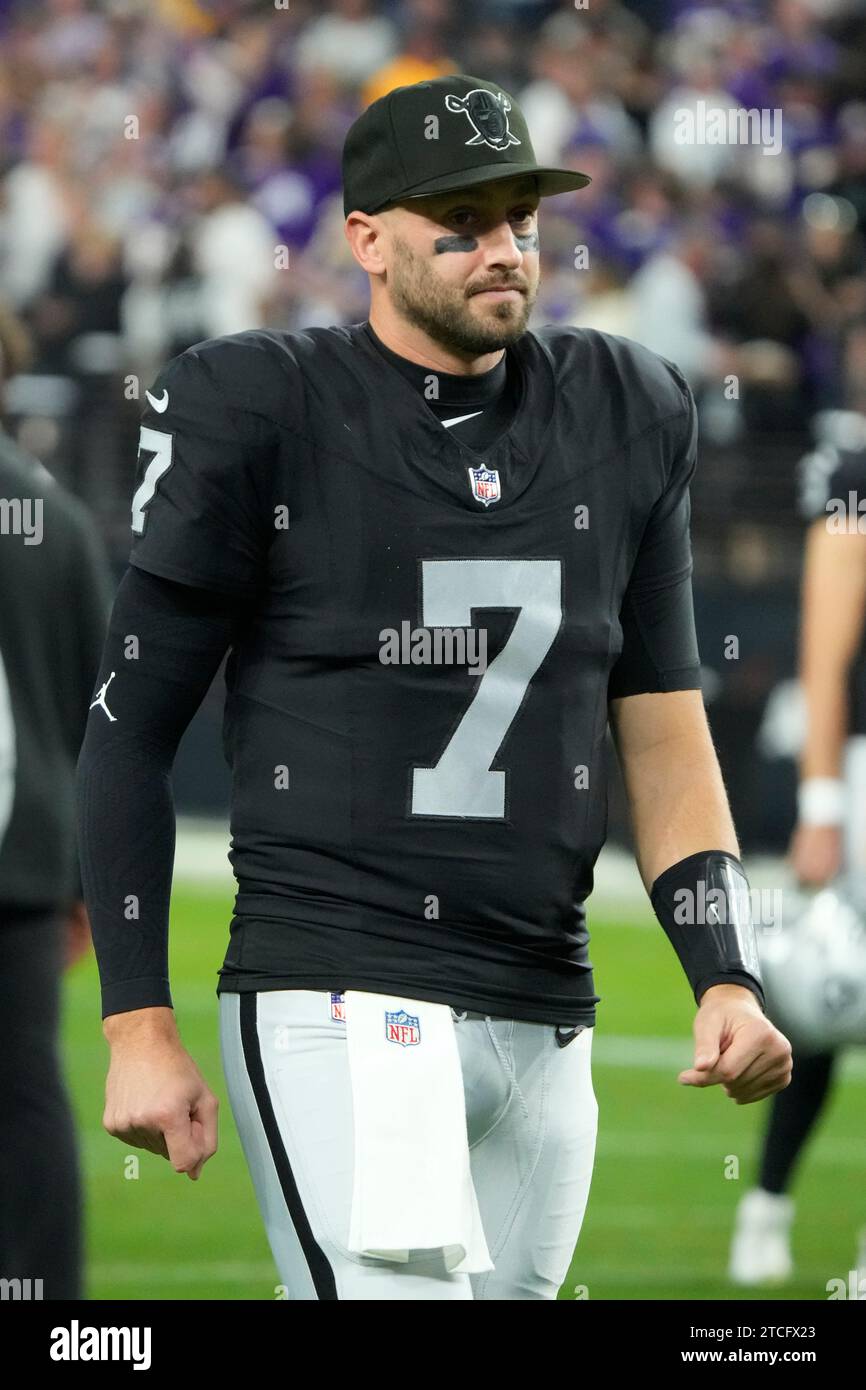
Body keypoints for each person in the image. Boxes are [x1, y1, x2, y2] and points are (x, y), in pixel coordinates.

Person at [77, 74, 791, 1302]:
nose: (501, 249)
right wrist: (138, 1026)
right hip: (342, 993)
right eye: (459, 224)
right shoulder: (259, 405)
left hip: (544, 1002)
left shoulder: (626, 408)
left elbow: (663, 732)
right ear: (365, 238)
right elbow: (127, 731)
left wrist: (722, 968)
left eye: (518, 218)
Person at [729, 381, 866, 1287]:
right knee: (821, 1016)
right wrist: (821, 801)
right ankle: (768, 1200)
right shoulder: (856, 472)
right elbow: (826, 639)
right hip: (863, 774)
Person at [0, 300, 113, 1300]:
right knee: (27, 1093)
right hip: (29, 860)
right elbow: (101, 713)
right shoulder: (59, 517)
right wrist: (85, 875)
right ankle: (49, 1302)